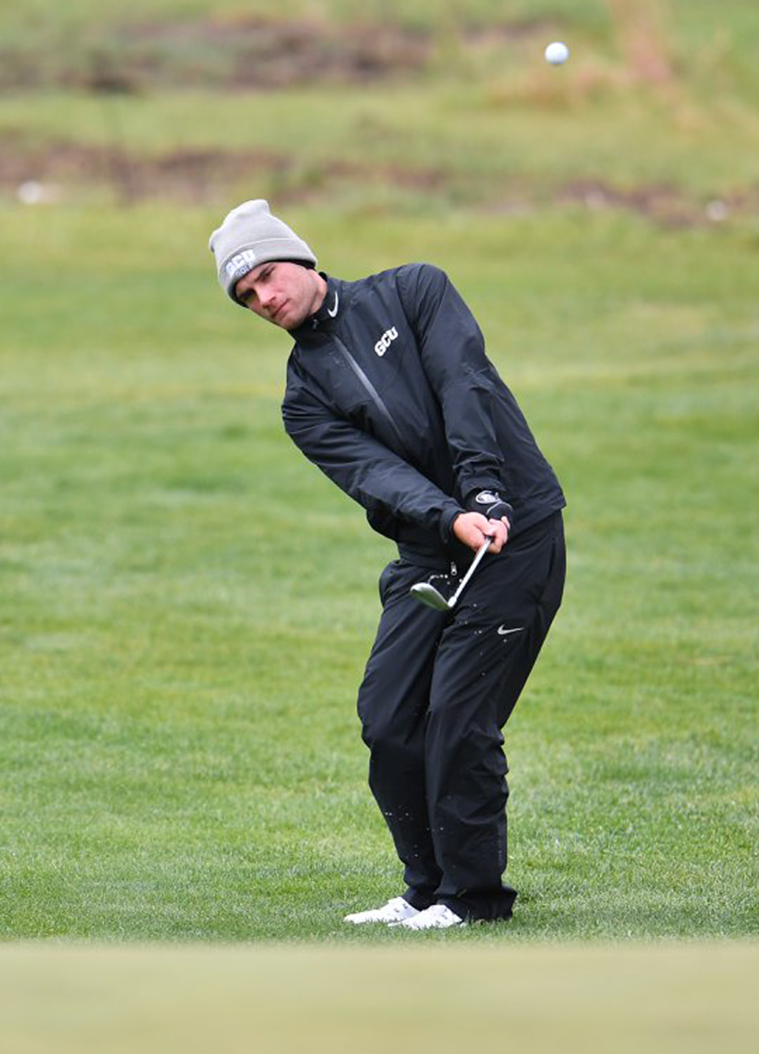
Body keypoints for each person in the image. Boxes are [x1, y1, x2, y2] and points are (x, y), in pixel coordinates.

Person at [207, 199, 568, 929]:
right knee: (388, 717)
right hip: (431, 548)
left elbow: (463, 386)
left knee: (458, 721)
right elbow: (375, 476)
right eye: (247, 298)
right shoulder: (302, 398)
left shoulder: (414, 291)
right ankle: (426, 888)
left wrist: (486, 491)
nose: (265, 300)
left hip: (516, 532)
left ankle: (474, 898)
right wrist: (448, 517)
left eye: (268, 277)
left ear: (300, 259)